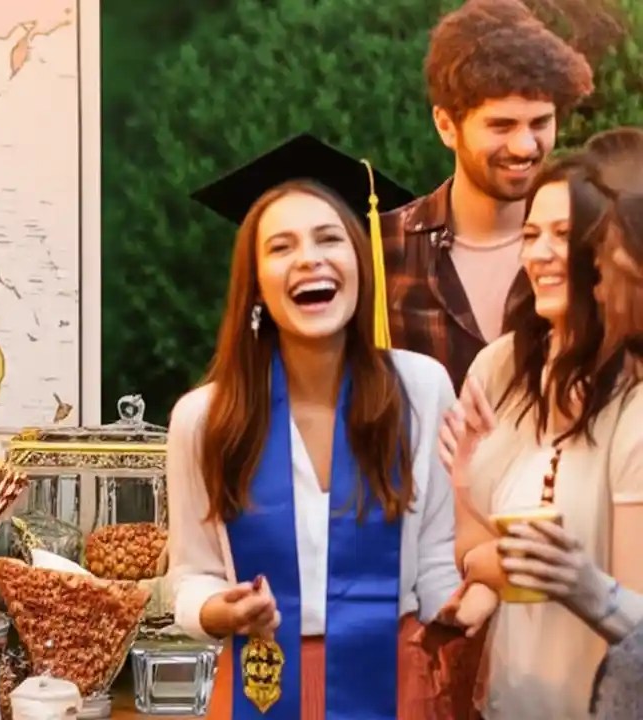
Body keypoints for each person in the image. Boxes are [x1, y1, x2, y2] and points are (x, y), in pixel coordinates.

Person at [174, 137, 485, 719]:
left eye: (329, 238)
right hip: (258, 687)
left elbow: (441, 560)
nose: (309, 259)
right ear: (256, 285)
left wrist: (479, 598)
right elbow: (192, 577)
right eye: (281, 247)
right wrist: (224, 611)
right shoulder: (207, 418)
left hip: (393, 680)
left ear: (361, 263)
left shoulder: (421, 389)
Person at [440, 153, 643, 719]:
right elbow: (469, 548)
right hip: (508, 700)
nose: (541, 253)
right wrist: (465, 502)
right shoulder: (499, 368)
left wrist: (567, 580)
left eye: (564, 234)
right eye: (530, 234)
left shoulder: (634, 398)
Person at [381, 0, 594, 392]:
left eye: (540, 123)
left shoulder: (593, 244)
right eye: (502, 125)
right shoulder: (379, 251)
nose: (524, 146)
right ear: (446, 126)